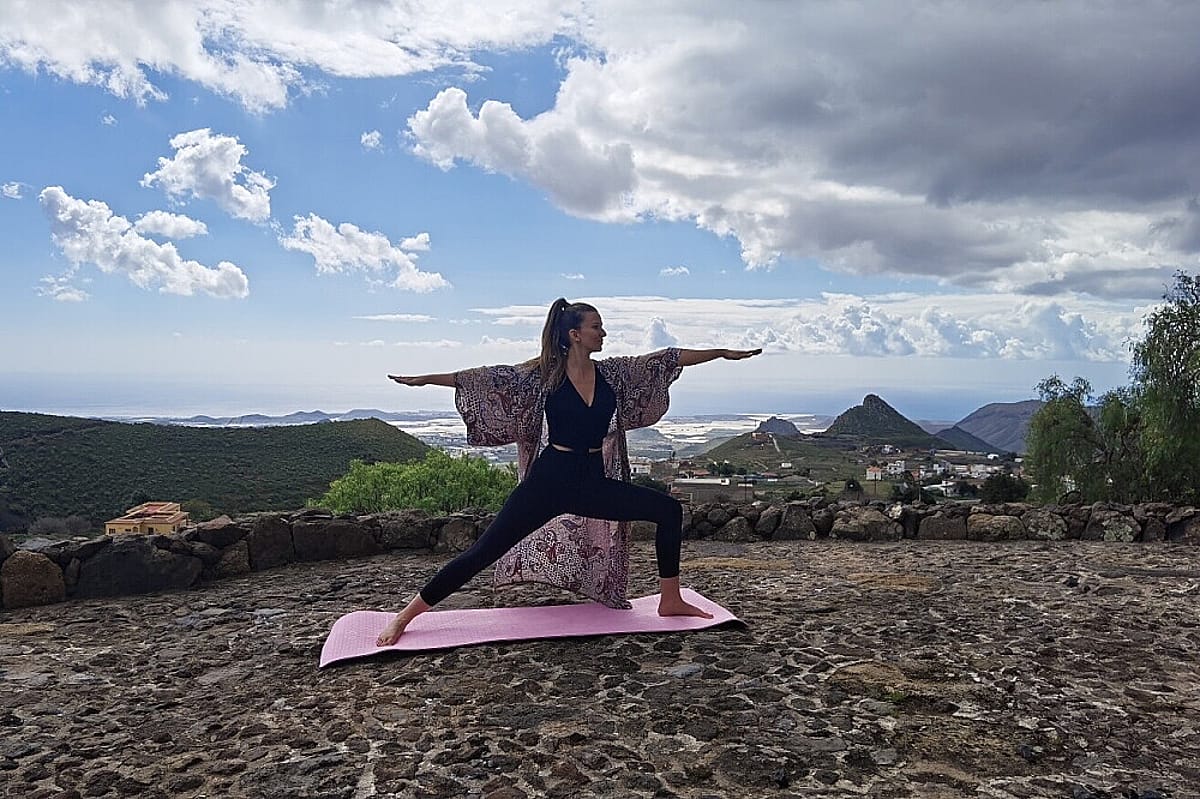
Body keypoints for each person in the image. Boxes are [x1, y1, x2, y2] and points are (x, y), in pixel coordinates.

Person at [376, 298, 761, 645]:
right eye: (597, 326)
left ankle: (671, 600)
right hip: (548, 482)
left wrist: (721, 353)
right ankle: (404, 618)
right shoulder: (544, 376)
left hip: (590, 481)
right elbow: (487, 379)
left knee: (669, 511)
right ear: (575, 335)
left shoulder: (614, 374)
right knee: (482, 552)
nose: (603, 332)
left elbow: (667, 358)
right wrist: (426, 379)